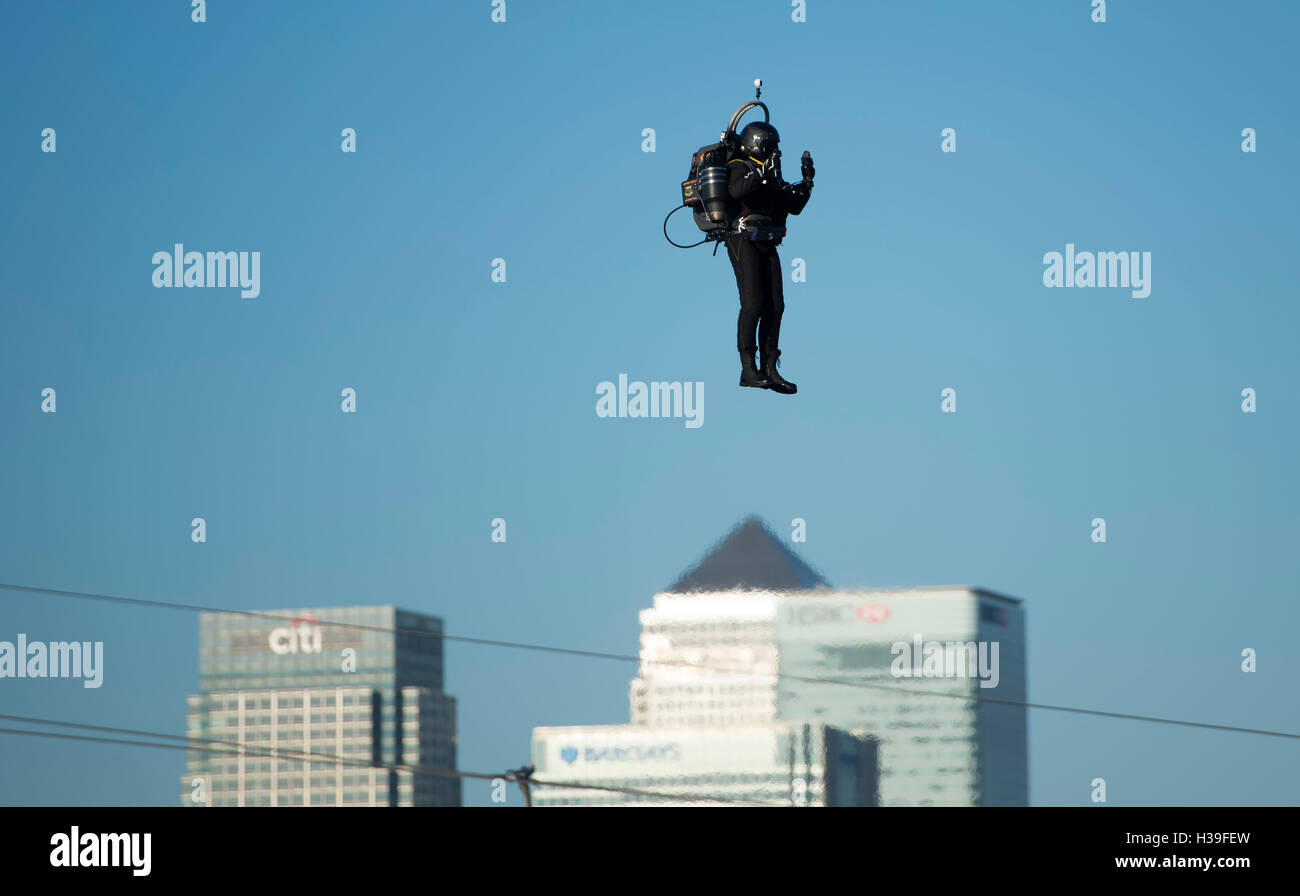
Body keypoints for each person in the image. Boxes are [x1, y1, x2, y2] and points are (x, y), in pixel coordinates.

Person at [724, 121, 814, 394]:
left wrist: (807, 182)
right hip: (742, 239)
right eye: (769, 147)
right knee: (753, 303)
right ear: (754, 145)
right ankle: (748, 368)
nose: (774, 153)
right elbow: (735, 191)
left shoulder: (770, 174)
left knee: (776, 306)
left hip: (767, 240)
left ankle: (770, 368)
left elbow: (793, 206)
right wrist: (762, 173)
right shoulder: (739, 166)